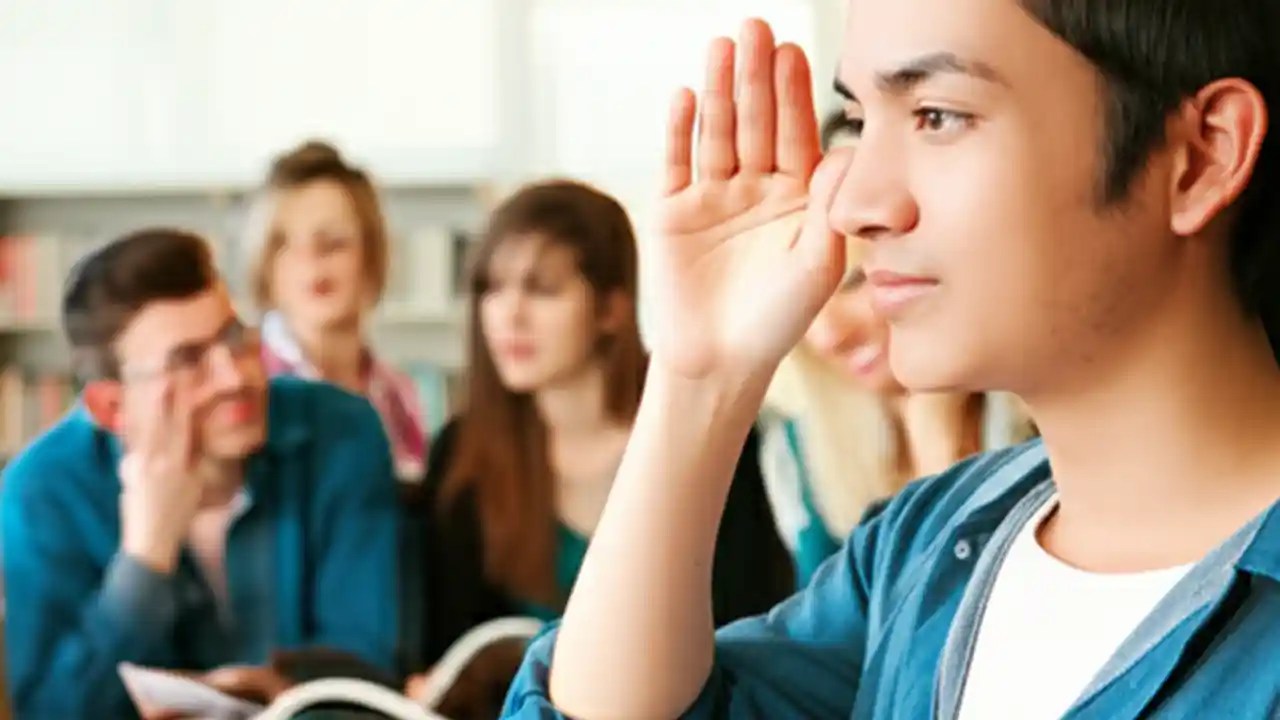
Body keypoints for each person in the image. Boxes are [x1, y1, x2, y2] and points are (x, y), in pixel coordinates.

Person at [503, 4, 1280, 719]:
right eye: (858, 117)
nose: (850, 204)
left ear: (1200, 156)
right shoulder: (929, 546)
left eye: (937, 116)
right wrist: (700, 380)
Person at [406, 180, 794, 692]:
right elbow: (448, 656)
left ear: (612, 308)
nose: (509, 315)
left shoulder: (704, 436)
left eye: (541, 289)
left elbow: (749, 624)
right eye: (491, 289)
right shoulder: (461, 452)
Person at [0, 229, 401, 719]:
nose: (236, 377)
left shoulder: (343, 432)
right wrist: (146, 556)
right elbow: (52, 712)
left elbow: (371, 659)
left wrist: (273, 687)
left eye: (234, 337)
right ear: (111, 407)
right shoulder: (41, 491)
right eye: (188, 361)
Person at [248, 139, 427, 481]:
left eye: (333, 242)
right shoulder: (246, 387)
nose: (310, 259)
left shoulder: (398, 396)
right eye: (284, 243)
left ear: (371, 256)